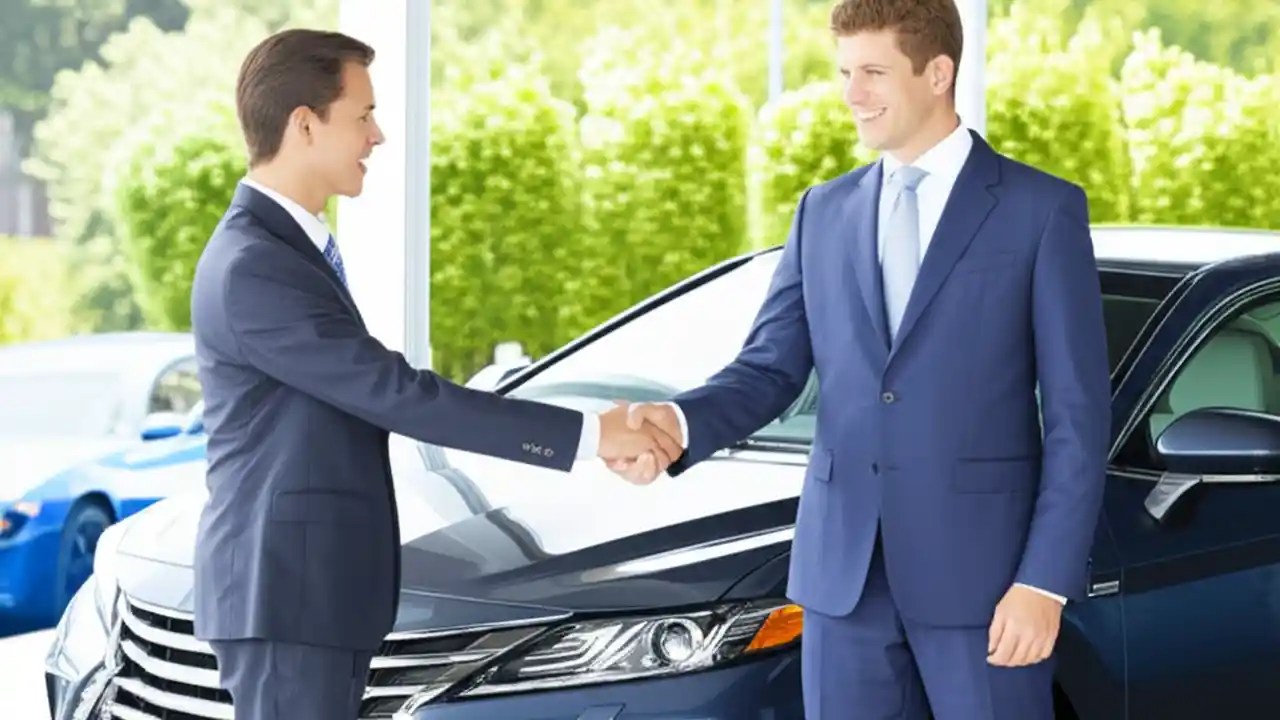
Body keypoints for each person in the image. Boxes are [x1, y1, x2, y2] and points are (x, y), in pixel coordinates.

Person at [615, 0, 1110, 717]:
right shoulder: (823, 211)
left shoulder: (1040, 210)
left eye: (873, 72)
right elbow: (769, 370)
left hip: (987, 585)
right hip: (843, 584)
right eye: (846, 72)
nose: (852, 94)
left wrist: (1045, 582)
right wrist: (678, 423)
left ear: (937, 73)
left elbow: (1077, 416)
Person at [188, 29, 679, 720]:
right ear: (304, 124)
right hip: (288, 595)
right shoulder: (255, 266)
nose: (378, 135)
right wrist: (594, 434)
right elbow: (395, 394)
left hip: (306, 593)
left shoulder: (283, 250)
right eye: (361, 115)